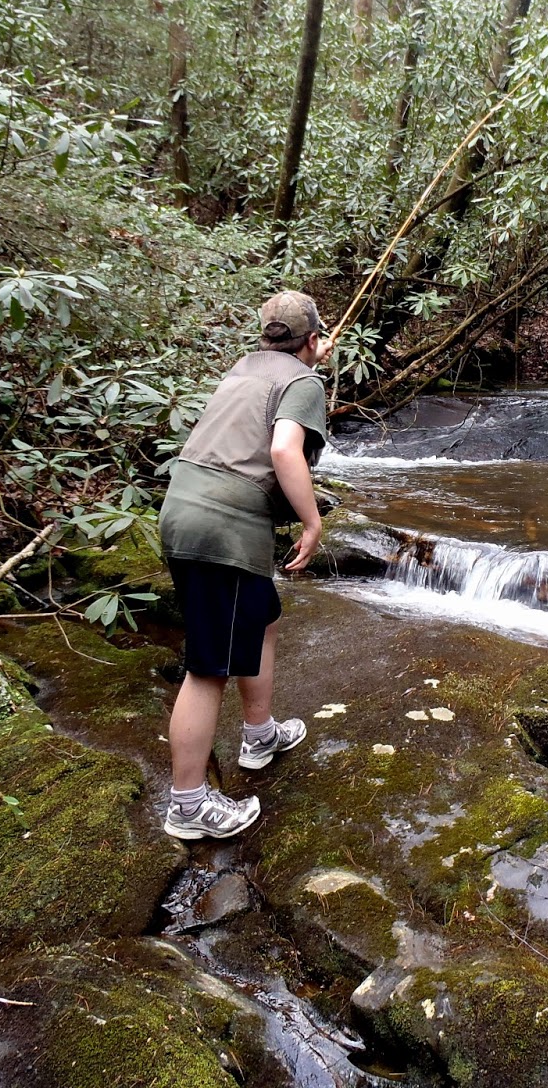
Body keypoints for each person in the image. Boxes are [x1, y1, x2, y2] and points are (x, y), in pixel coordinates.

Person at [157, 290, 335, 839]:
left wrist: (306, 361)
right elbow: (285, 450)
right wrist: (311, 521)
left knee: (263, 616)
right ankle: (187, 804)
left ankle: (259, 735)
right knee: (208, 667)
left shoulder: (246, 367)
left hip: (185, 508)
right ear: (311, 339)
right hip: (223, 527)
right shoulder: (303, 381)